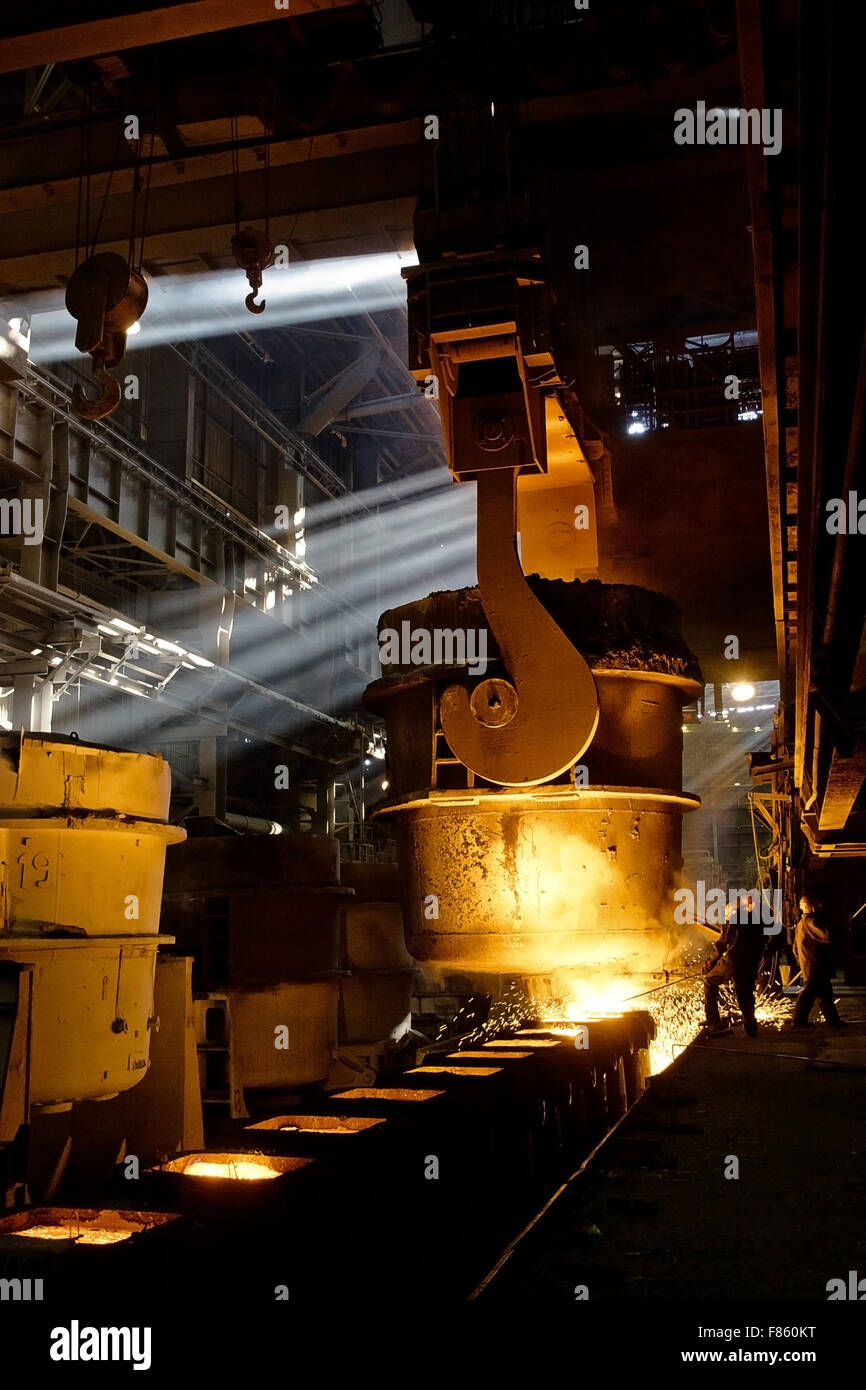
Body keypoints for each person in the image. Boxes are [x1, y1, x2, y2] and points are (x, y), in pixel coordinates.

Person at [702, 894, 765, 1037]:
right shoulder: (757, 920)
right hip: (750, 962)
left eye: (727, 915)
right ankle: (751, 1027)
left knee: (709, 981)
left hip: (733, 961)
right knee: (745, 993)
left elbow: (721, 945)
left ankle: (714, 1024)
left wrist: (708, 965)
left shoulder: (735, 919)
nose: (726, 918)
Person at [791, 894, 844, 1027]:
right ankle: (798, 1020)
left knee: (825, 993)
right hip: (815, 964)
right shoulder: (810, 921)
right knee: (809, 992)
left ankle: (833, 1021)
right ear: (811, 907)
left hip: (812, 963)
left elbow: (795, 949)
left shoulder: (802, 922)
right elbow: (826, 936)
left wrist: (801, 960)